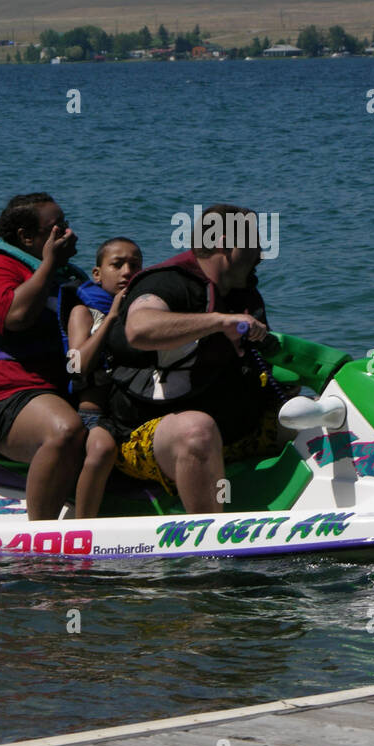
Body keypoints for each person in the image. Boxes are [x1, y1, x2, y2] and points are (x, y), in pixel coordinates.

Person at [106, 204, 285, 516]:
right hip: (146, 435)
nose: (262, 254)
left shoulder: (242, 292)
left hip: (236, 428)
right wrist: (218, 321)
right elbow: (139, 328)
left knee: (320, 415)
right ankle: (210, 554)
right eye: (255, 243)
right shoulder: (168, 284)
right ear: (225, 243)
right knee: (197, 431)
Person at [0, 193, 87, 521]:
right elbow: (15, 316)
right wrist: (48, 265)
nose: (67, 234)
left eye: (67, 225)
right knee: (65, 429)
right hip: (2, 399)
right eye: (55, 229)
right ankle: (40, 536)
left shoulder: (69, 276)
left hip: (58, 389)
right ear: (26, 237)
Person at [66, 237, 143, 519]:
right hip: (94, 417)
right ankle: (82, 527)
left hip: (133, 415)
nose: (126, 272)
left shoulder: (144, 313)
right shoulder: (84, 312)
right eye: (117, 264)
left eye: (134, 265)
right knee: (102, 448)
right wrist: (111, 318)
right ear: (97, 274)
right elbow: (77, 366)